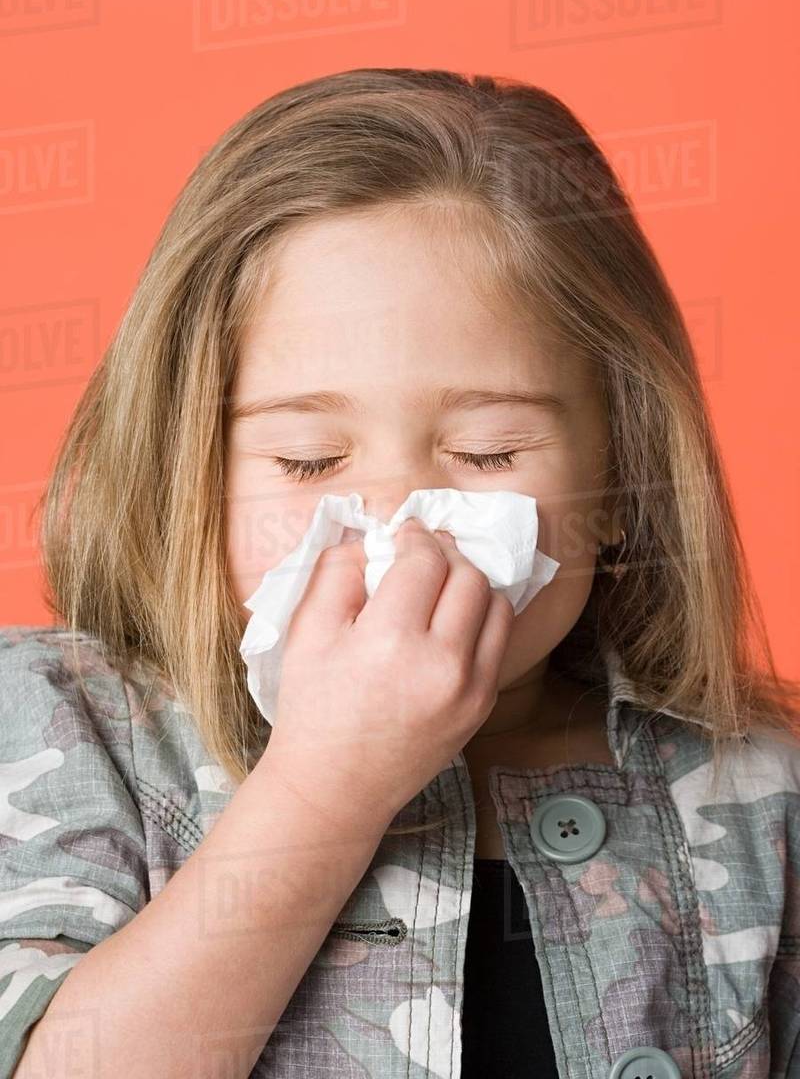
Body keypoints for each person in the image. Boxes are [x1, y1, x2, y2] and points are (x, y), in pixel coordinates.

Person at [1, 69, 798, 1079]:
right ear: (186, 476)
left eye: (487, 454)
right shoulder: (60, 730)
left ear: (618, 479)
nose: (399, 529)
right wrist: (328, 780)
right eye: (308, 463)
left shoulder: (758, 794)